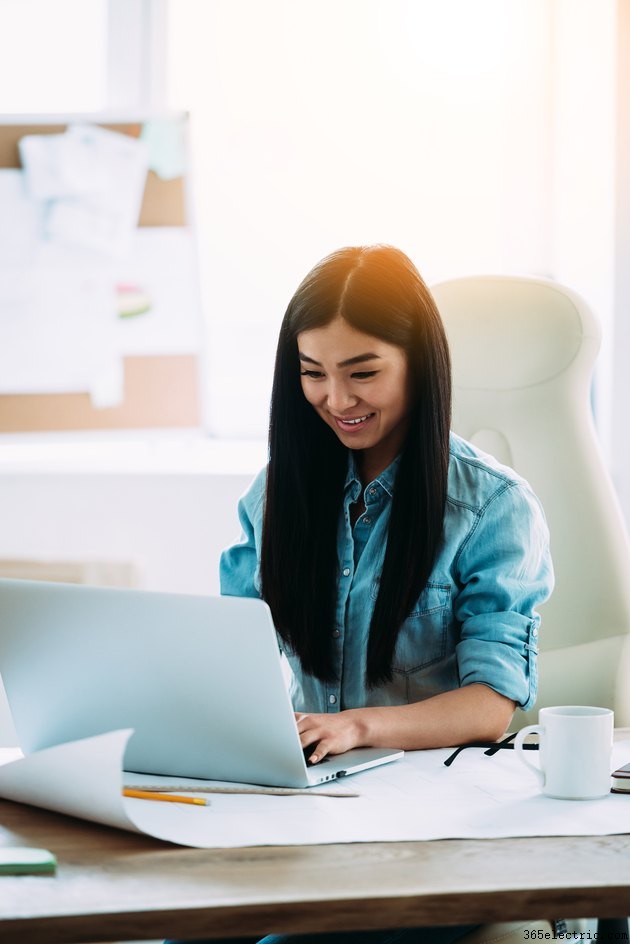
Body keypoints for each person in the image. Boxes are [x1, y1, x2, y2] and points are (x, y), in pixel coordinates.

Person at [166, 245, 553, 944]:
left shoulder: (494, 505)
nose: (336, 400)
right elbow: (231, 654)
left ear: (419, 363)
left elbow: (492, 706)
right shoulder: (277, 493)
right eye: (313, 374)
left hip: (438, 828)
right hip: (302, 812)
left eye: (363, 373)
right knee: (183, 930)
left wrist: (357, 726)